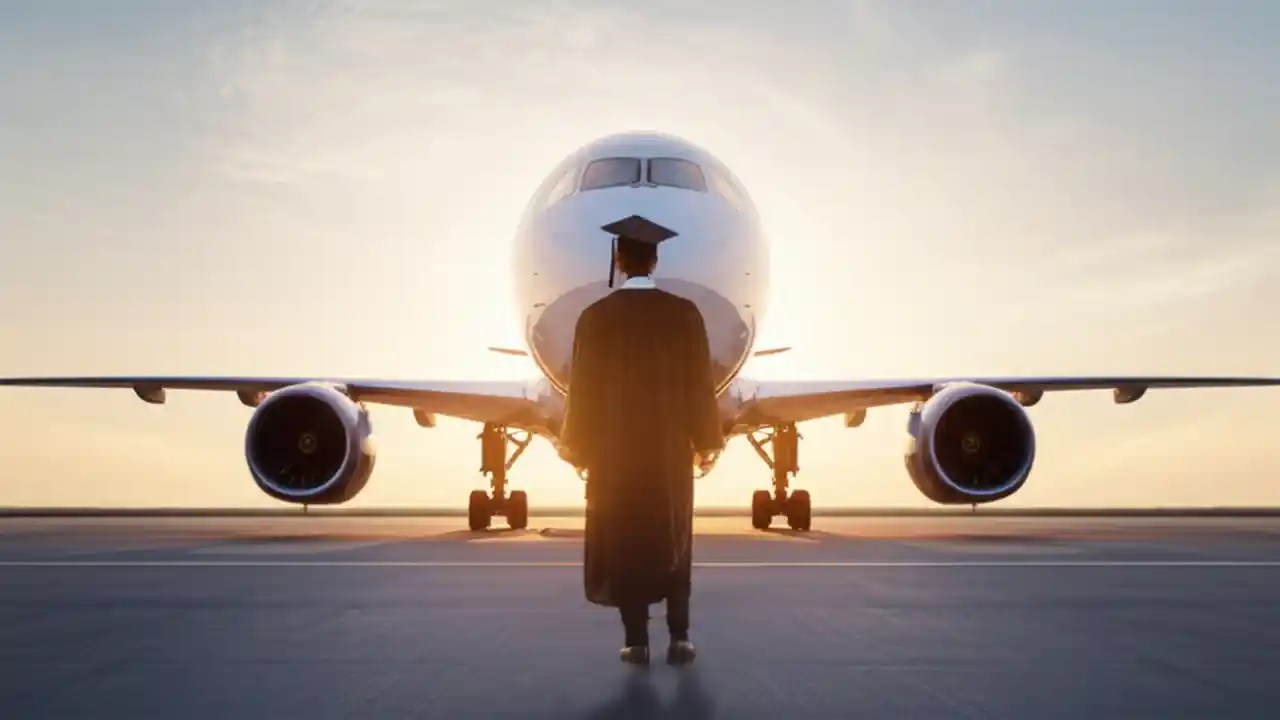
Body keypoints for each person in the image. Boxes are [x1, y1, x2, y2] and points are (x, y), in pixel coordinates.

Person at [559, 215, 725, 666]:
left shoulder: (594, 318)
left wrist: (577, 447)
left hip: (615, 456)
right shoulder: (683, 313)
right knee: (673, 541)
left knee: (625, 542)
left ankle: (635, 642)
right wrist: (707, 440)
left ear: (618, 258)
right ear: (655, 260)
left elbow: (583, 390)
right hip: (669, 453)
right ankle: (681, 638)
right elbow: (699, 383)